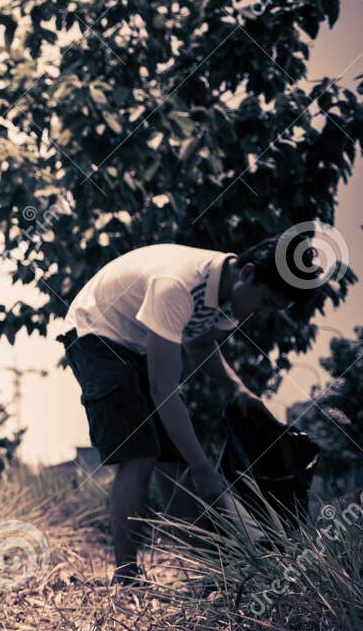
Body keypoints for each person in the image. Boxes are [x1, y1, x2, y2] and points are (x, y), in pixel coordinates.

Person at [59, 238, 317, 584]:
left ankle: (199, 570)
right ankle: (126, 576)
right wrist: (204, 468)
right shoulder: (177, 286)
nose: (263, 314)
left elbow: (199, 342)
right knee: (139, 454)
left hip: (137, 340)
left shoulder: (229, 297)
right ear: (248, 274)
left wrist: (237, 388)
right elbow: (164, 390)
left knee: (174, 460)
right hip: (97, 331)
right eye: (266, 303)